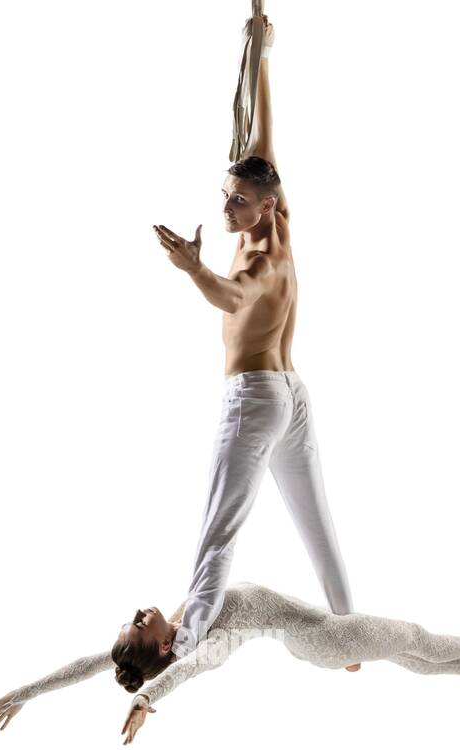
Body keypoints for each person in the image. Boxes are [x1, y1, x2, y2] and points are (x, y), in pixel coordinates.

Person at [152, 17, 361, 671]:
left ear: (264, 207)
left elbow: (232, 297)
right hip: (291, 396)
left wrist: (192, 268)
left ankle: (178, 646)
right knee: (316, 520)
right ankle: (349, 634)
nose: (226, 210)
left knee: (220, 526)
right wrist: (259, 51)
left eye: (237, 203)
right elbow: (259, 140)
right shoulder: (278, 219)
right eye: (225, 197)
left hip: (253, 399)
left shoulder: (258, 263)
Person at [0, 583, 460, 745]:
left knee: (403, 653)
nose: (141, 612)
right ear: (162, 645)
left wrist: (25, 691)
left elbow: (87, 663)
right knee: (414, 638)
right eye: (139, 623)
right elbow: (182, 674)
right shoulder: (195, 648)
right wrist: (147, 698)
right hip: (327, 638)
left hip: (312, 636)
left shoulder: (177, 628)